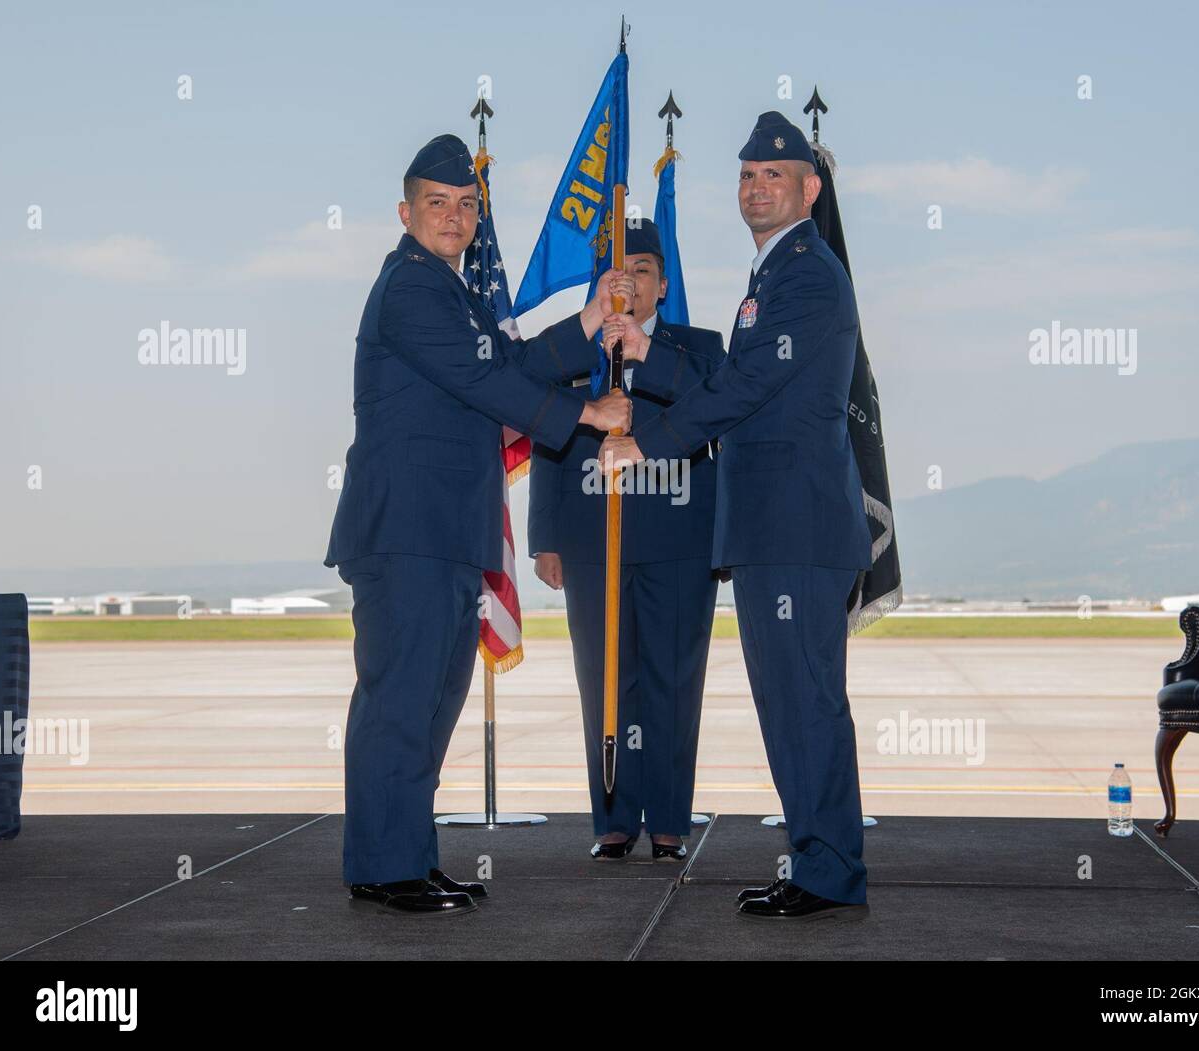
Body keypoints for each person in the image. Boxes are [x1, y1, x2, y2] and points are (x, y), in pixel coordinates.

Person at [325, 133, 633, 915]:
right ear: (406, 212)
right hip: (408, 533)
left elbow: (505, 360)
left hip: (446, 533)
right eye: (438, 203)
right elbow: (478, 376)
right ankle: (385, 865)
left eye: (466, 205)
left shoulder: (453, 294)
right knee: (401, 703)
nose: (455, 217)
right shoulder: (410, 288)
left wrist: (589, 321)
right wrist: (586, 410)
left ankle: (405, 857)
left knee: (430, 706)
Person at [600, 112, 874, 921]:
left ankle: (828, 870)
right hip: (771, 530)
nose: (757, 186)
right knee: (790, 704)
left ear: (809, 189)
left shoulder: (806, 274)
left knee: (805, 702)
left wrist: (643, 443)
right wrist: (651, 356)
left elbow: (745, 390)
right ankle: (820, 861)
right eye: (749, 174)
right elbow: (741, 376)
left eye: (775, 176)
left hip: (795, 527)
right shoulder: (775, 272)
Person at [529, 219, 724, 862]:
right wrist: (544, 538)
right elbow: (550, 442)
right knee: (605, 680)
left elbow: (717, 419)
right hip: (591, 540)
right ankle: (614, 818)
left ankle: (668, 819)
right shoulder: (573, 353)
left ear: (663, 285)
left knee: (673, 680)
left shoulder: (700, 350)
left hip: (678, 537)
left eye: (643, 270)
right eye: (618, 271)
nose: (631, 282)